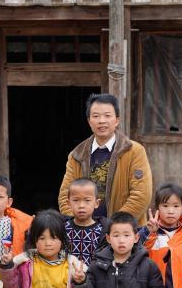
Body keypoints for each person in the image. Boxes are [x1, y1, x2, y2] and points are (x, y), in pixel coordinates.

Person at [58, 93, 153, 226]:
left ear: (117, 120)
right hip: (85, 233)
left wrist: (114, 227)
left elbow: (141, 195)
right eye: (96, 116)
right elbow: (65, 197)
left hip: (124, 235)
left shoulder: (134, 151)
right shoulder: (77, 155)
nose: (102, 121)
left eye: (107, 116)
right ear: (89, 121)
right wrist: (80, 225)